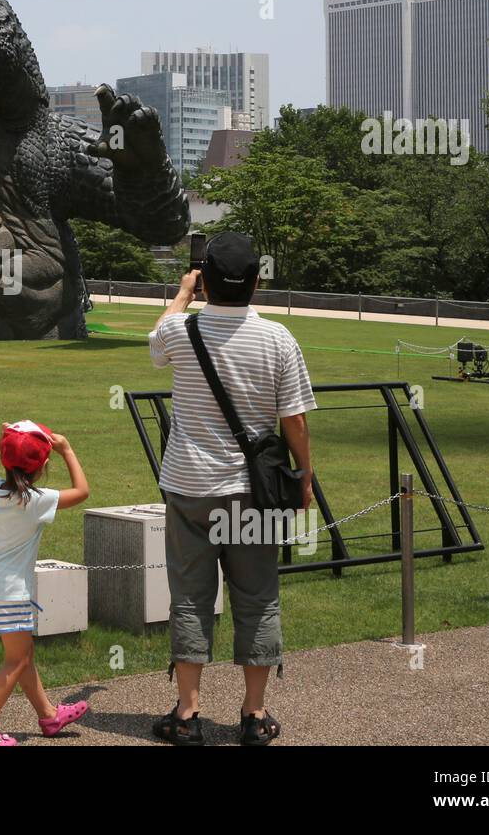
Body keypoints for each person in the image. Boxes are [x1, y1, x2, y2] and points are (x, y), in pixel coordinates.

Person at [147, 232, 316, 746]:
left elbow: (156, 341)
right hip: (254, 492)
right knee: (258, 596)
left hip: (190, 486)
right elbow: (294, 422)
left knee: (190, 597)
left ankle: (188, 712)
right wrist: (304, 477)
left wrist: (181, 293)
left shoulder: (181, 329)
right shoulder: (278, 339)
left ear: (206, 280)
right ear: (257, 282)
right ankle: (255, 713)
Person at [0, 420, 91, 746]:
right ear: (44, 466)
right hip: (12, 594)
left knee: (23, 654)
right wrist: (68, 449)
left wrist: (0, 439)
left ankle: (49, 716)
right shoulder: (36, 501)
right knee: (16, 660)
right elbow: (82, 492)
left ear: (5, 461)